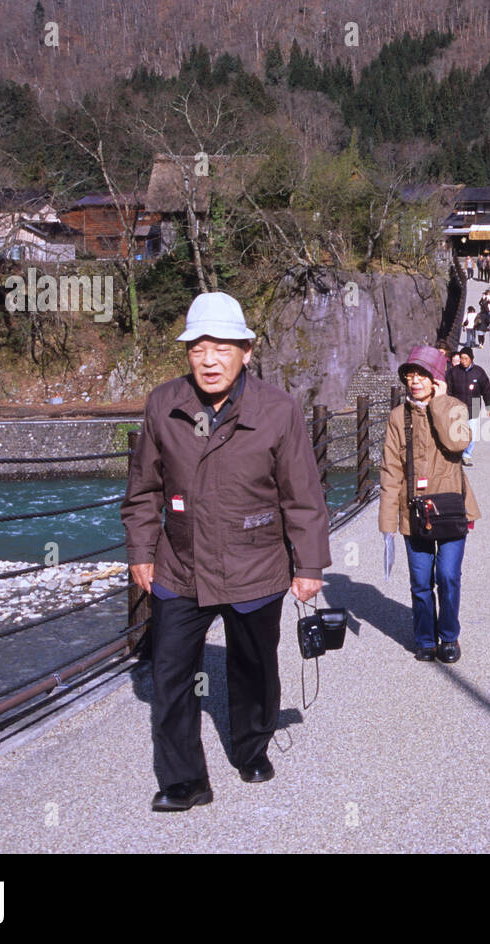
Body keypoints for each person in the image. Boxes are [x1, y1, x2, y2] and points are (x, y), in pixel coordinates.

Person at [122, 291, 331, 813]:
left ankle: (251, 747)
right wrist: (141, 551)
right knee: (169, 673)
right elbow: (143, 488)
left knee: (254, 667)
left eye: (221, 348)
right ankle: (184, 780)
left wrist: (308, 564)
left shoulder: (277, 411)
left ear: (247, 351)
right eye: (198, 348)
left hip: (256, 562)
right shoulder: (163, 404)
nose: (209, 360)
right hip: (180, 563)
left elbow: (302, 495)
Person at [379, 346, 480, 663]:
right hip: (415, 510)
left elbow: (458, 443)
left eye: (422, 374)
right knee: (421, 582)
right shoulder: (399, 417)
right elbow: (391, 469)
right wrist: (387, 523)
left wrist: (439, 402)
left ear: (436, 378)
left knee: (448, 576)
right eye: (410, 374)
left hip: (451, 508)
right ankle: (425, 638)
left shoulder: (455, 408)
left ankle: (449, 636)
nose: (414, 380)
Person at [447, 347, 490, 467]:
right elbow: (449, 390)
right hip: (457, 406)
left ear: (471, 359)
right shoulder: (454, 371)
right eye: (461, 358)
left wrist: (489, 406)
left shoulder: (479, 372)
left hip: (474, 406)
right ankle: (456, 454)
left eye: (466, 358)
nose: (463, 361)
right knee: (457, 433)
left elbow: (486, 390)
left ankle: (467, 455)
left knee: (471, 434)